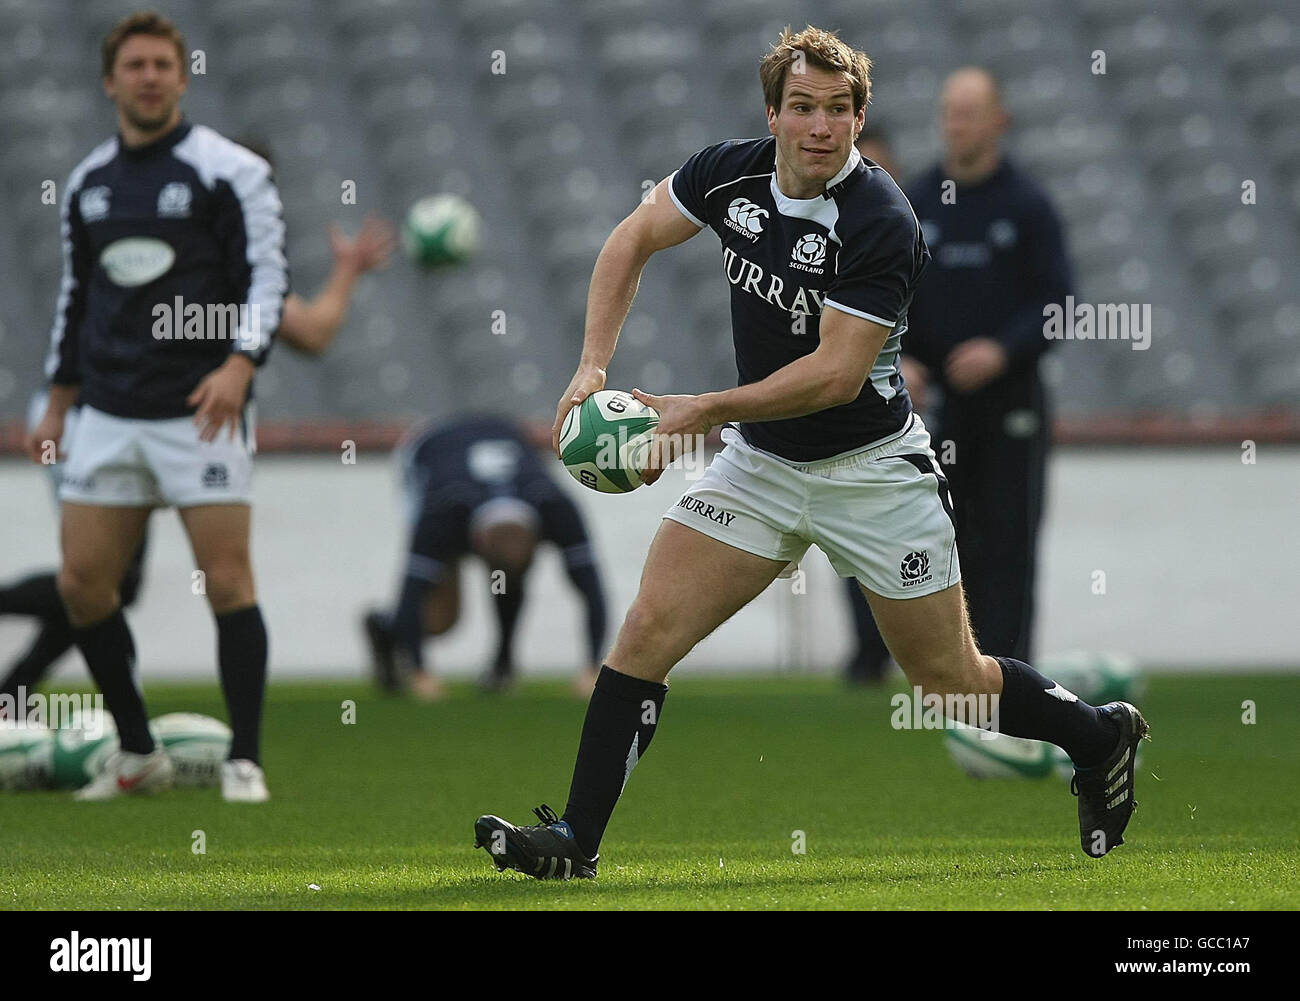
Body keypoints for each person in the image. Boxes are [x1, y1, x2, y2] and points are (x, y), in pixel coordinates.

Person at [473, 26, 1147, 878]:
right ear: (774, 114)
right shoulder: (726, 171)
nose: (820, 127)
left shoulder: (882, 219)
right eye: (803, 108)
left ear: (860, 118)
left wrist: (700, 410)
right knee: (645, 630)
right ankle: (575, 840)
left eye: (839, 110)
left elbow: (833, 376)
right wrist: (592, 367)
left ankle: (1098, 736)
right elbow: (630, 239)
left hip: (871, 471)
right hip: (761, 464)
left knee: (950, 679)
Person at [25, 12, 287, 802]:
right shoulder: (89, 182)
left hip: (198, 409)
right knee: (82, 583)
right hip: (106, 409)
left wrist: (241, 363)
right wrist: (58, 398)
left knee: (229, 580)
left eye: (162, 65)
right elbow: (78, 296)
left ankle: (245, 757)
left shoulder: (229, 170)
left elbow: (267, 277)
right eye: (133, 65)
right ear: (110, 81)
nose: (148, 76)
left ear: (182, 75)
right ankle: (138, 750)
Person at [0, 213, 394, 709]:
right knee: (100, 579)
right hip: (95, 415)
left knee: (106, 583)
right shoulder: (198, 253)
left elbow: (310, 334)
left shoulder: (228, 260)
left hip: (131, 417)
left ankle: (12, 695)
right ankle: (20, 695)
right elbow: (303, 330)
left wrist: (347, 271)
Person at [902, 67, 1071, 663]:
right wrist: (901, 357)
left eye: (969, 113)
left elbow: (1058, 304)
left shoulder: (1027, 205)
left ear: (999, 120)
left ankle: (1013, 678)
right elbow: (880, 293)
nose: (956, 124)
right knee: (941, 539)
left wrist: (1001, 350)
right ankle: (950, 675)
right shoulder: (915, 201)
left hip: (1009, 403)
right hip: (930, 408)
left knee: (1009, 541)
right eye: (949, 111)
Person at [364, 415, 607, 700]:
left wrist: (592, 669)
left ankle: (502, 665)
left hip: (503, 429)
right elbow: (412, 590)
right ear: (475, 544)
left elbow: (591, 589)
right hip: (427, 447)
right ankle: (384, 627)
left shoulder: (556, 506)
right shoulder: (442, 512)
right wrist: (422, 676)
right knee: (442, 620)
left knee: (508, 580)